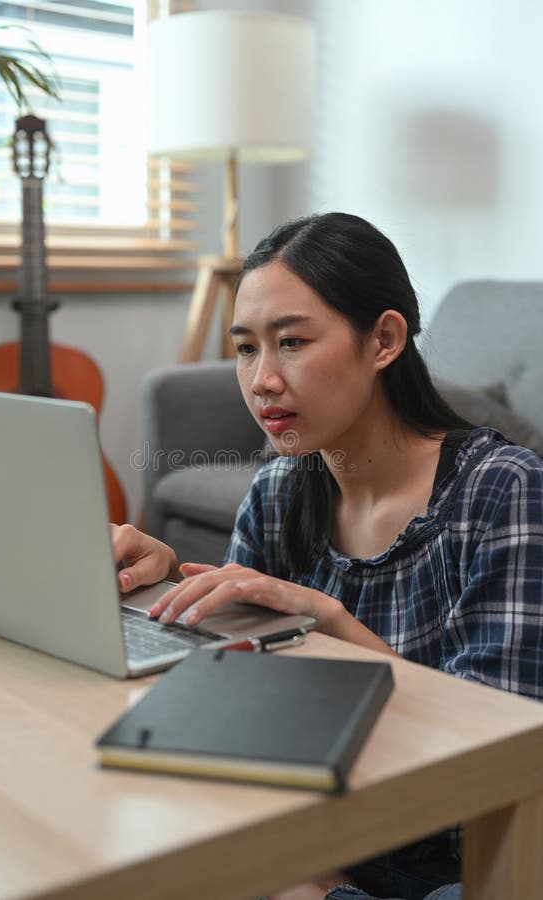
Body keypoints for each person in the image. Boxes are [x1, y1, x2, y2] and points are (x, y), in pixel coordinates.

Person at [111, 212, 543, 900]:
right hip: (322, 831)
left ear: (385, 339)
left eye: (291, 342)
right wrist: (164, 586)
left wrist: (333, 624)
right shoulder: (279, 491)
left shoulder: (502, 491)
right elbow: (242, 708)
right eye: (246, 348)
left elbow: (497, 781)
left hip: (459, 860)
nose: (262, 381)